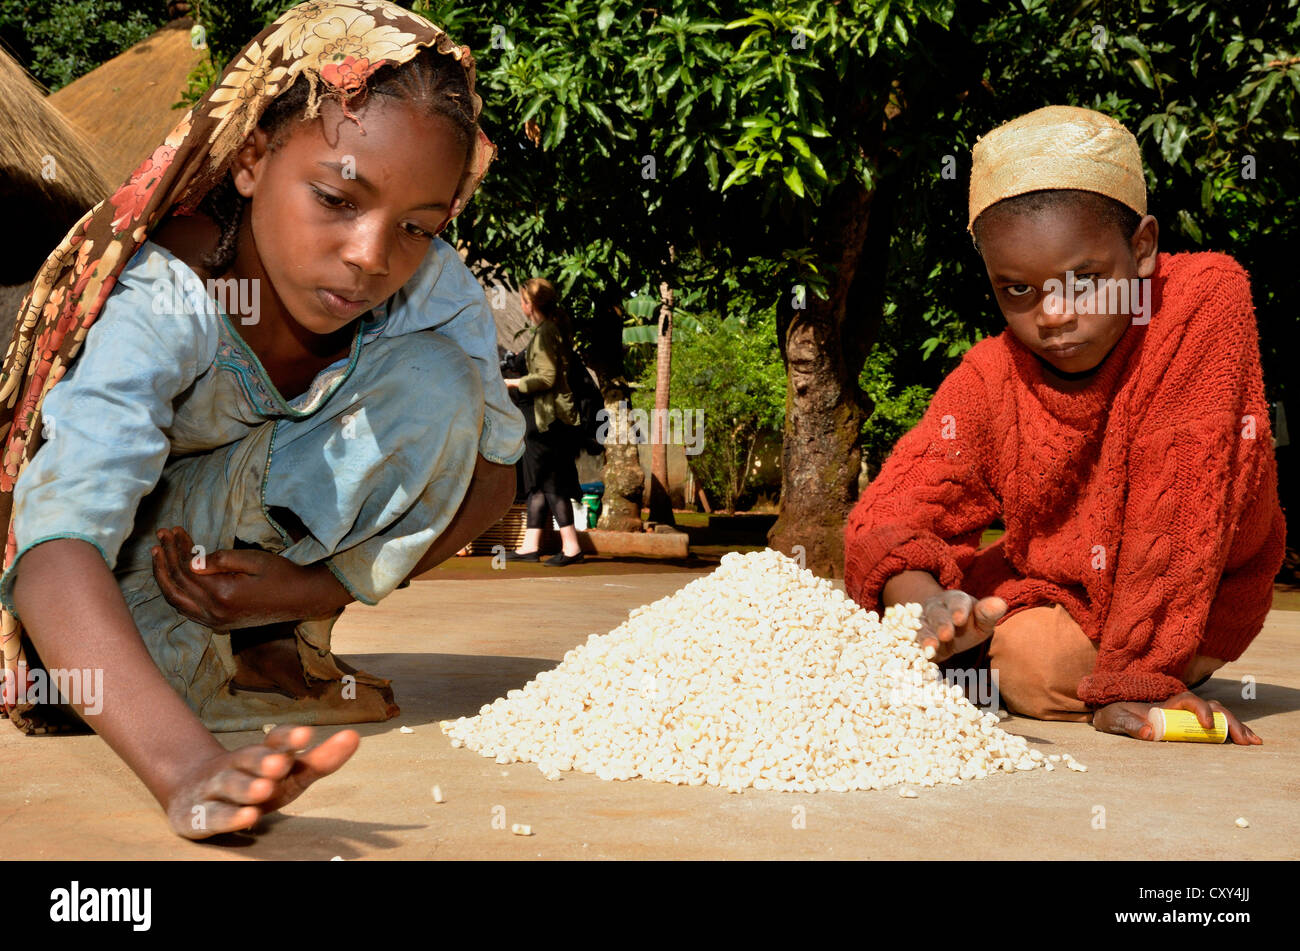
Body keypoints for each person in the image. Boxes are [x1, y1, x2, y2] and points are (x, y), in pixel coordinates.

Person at [0, 0, 525, 838]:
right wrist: (188, 768)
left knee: (438, 382)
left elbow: (494, 476)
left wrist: (317, 584)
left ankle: (268, 634)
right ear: (250, 159)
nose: (371, 255)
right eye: (335, 198)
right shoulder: (168, 297)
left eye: (419, 226)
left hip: (247, 574)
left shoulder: (429, 283)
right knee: (90, 677)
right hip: (124, 578)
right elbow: (55, 549)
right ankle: (164, 679)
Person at [844, 105, 1285, 745]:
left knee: (1037, 665)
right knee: (895, 617)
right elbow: (888, 515)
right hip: (1059, 588)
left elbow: (1183, 511)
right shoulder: (993, 374)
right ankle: (957, 647)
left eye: (1084, 280)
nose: (1052, 315)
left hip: (1195, 597)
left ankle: (1013, 660)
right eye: (1017, 290)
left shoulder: (1198, 302)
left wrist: (1138, 678)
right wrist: (924, 605)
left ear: (1141, 248)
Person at [503, 278, 586, 566]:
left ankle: (572, 547)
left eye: (524, 300)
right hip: (544, 417)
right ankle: (530, 545)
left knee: (553, 484)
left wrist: (513, 383)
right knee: (537, 483)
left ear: (530, 305)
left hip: (548, 419)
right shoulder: (550, 329)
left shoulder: (546, 332)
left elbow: (547, 378)